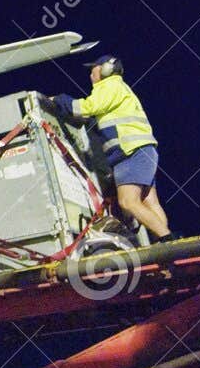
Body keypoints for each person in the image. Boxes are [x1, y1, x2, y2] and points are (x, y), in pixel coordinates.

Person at [44, 54, 177, 243]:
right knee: (149, 201)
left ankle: (166, 239)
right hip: (144, 151)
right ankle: (166, 243)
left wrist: (59, 99)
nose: (91, 74)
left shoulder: (109, 85)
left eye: (94, 69)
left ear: (106, 69)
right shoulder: (121, 89)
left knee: (128, 202)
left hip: (129, 152)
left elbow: (86, 107)